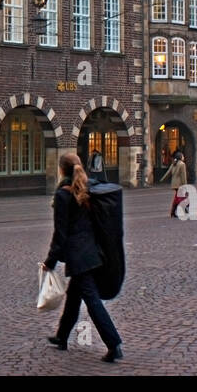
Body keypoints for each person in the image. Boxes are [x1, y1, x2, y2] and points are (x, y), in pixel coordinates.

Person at [42, 152, 122, 362]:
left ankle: (114, 344)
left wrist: (50, 261)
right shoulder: (86, 190)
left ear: (61, 170)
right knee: (74, 297)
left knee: (92, 301)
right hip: (92, 252)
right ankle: (62, 336)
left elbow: (61, 233)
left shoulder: (63, 195)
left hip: (79, 257)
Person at [159, 151, 187, 218]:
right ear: (180, 157)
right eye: (183, 156)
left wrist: (162, 179)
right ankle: (181, 209)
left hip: (174, 184)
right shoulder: (182, 164)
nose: (183, 157)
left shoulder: (173, 163)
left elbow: (168, 172)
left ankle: (174, 212)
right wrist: (185, 186)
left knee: (177, 197)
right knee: (180, 198)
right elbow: (183, 176)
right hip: (180, 184)